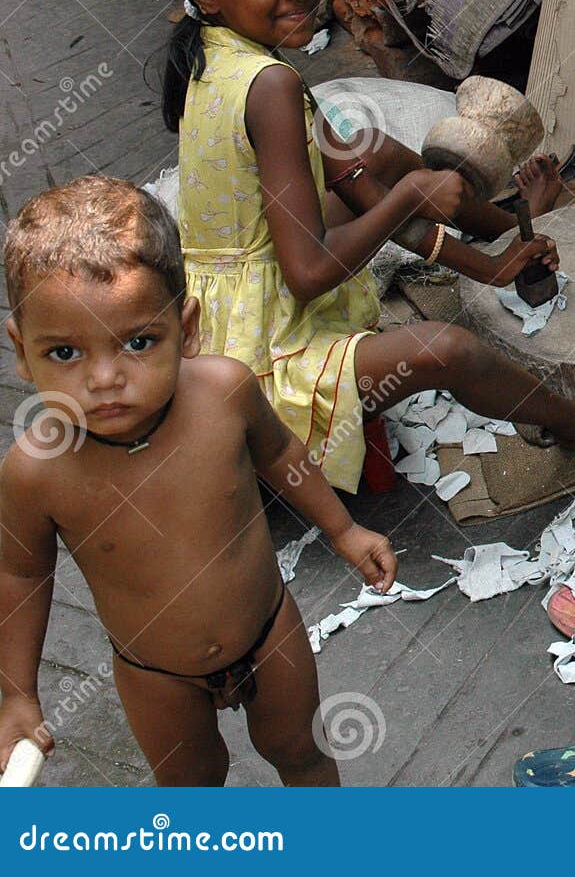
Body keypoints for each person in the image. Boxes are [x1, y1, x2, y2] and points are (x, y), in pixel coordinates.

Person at [159, 0, 575, 495]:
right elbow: (307, 271)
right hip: (259, 368)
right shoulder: (269, 86)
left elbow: (361, 185)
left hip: (226, 316)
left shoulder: (208, 55)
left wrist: (489, 267)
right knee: (450, 350)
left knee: (370, 152)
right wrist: (413, 195)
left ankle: (517, 221)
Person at [0, 176, 399, 785]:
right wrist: (18, 694)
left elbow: (280, 453)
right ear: (22, 352)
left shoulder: (224, 392)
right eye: (64, 353)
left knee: (304, 753)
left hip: (268, 631)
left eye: (138, 341)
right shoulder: (35, 472)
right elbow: (21, 573)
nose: (105, 378)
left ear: (186, 329)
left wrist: (343, 530)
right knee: (190, 789)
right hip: (154, 673)